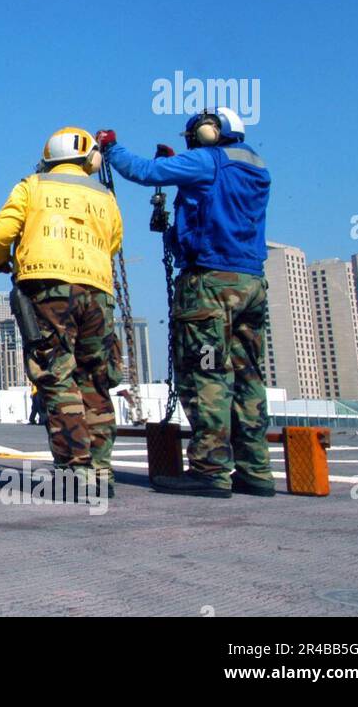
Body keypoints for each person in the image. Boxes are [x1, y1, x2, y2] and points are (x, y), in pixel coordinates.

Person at [98, 109, 274, 498]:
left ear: (212, 133)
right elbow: (214, 202)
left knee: (207, 372)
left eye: (196, 134)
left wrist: (111, 147)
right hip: (251, 284)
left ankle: (210, 470)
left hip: (210, 286)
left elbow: (142, 172)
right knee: (247, 375)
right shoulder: (256, 167)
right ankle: (255, 470)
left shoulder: (207, 160)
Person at [0, 128, 124, 496]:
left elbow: (0, 234)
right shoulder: (104, 195)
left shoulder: (32, 185)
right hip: (97, 292)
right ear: (90, 159)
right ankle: (101, 471)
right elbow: (114, 242)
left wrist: (2, 262)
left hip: (47, 290)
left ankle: (74, 471)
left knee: (57, 375)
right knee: (95, 378)